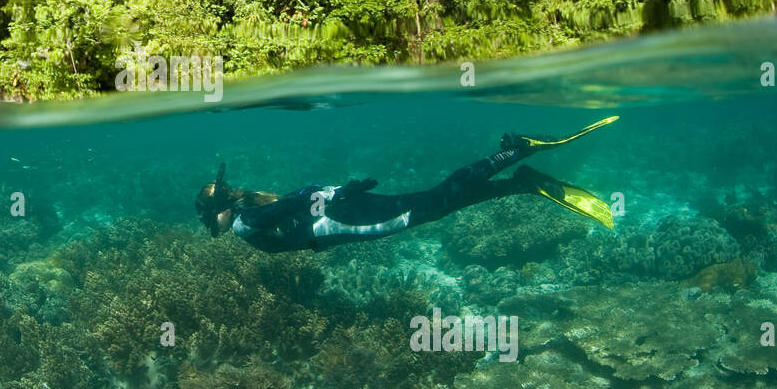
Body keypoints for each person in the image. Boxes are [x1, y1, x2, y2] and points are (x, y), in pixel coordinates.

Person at [195, 117, 618, 253]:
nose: (210, 228)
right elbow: (300, 200)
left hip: (355, 218)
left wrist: (339, 194)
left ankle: (514, 153)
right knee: (441, 203)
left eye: (207, 220)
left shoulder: (244, 224)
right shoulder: (247, 216)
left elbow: (297, 204)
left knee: (438, 199)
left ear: (219, 212)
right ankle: (520, 182)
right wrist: (338, 192)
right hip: (349, 215)